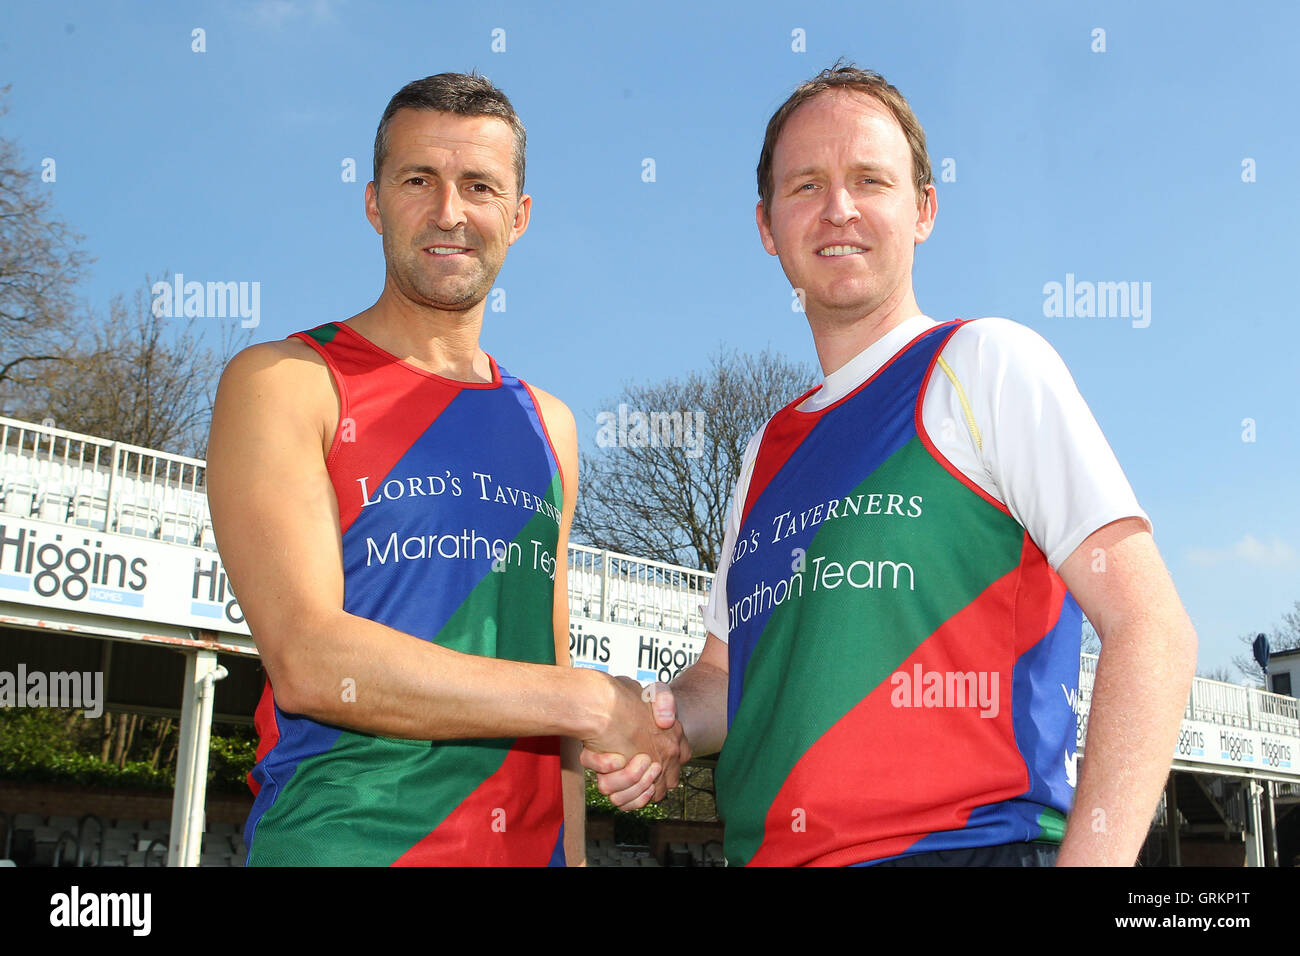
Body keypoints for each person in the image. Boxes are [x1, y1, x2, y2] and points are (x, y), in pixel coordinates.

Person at [583, 63, 1196, 867]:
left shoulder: (986, 363)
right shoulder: (766, 447)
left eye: (869, 179)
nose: (838, 208)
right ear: (768, 227)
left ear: (924, 209)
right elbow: (722, 682)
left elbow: (1152, 628)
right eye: (806, 186)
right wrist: (656, 723)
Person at [206, 72, 685, 866]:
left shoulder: (550, 426)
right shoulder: (285, 380)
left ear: (519, 217)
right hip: (346, 845)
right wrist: (594, 701)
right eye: (418, 179)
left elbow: (549, 663)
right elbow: (310, 661)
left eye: (479, 186)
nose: (449, 212)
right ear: (373, 201)